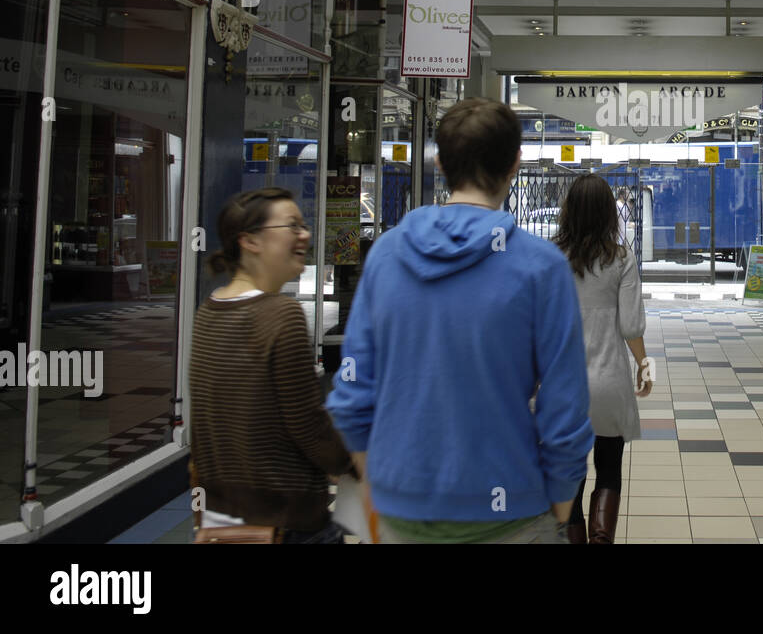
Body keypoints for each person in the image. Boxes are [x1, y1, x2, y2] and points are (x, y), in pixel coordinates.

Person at [326, 98, 593, 544]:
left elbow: (353, 394)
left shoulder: (386, 256)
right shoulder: (541, 266)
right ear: (515, 164)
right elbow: (565, 408)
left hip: (400, 508)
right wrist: (559, 505)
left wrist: (378, 485)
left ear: (439, 164)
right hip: (511, 507)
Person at [189, 186, 356, 543]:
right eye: (292, 226)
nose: (305, 234)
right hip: (289, 523)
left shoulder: (210, 311)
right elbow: (308, 425)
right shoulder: (280, 315)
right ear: (250, 241)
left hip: (224, 521)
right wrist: (351, 464)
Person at [554, 175, 651, 544]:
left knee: (572, 477)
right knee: (609, 470)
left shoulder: (551, 257)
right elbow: (630, 326)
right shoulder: (621, 258)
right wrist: (644, 366)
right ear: (610, 213)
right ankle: (601, 539)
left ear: (569, 211)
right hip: (610, 384)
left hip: (564, 388)